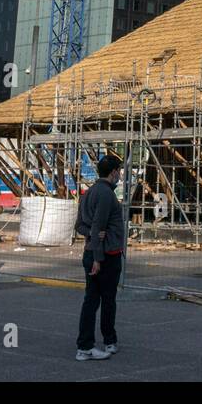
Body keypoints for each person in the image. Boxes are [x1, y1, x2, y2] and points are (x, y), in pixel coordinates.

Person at [74, 154, 126, 362]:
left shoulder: (89, 192)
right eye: (119, 171)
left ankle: (85, 346)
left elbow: (80, 225)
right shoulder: (106, 194)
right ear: (113, 172)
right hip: (105, 256)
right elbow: (98, 224)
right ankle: (106, 341)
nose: (120, 175)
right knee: (106, 300)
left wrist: (91, 235)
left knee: (91, 300)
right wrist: (97, 255)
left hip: (92, 252)